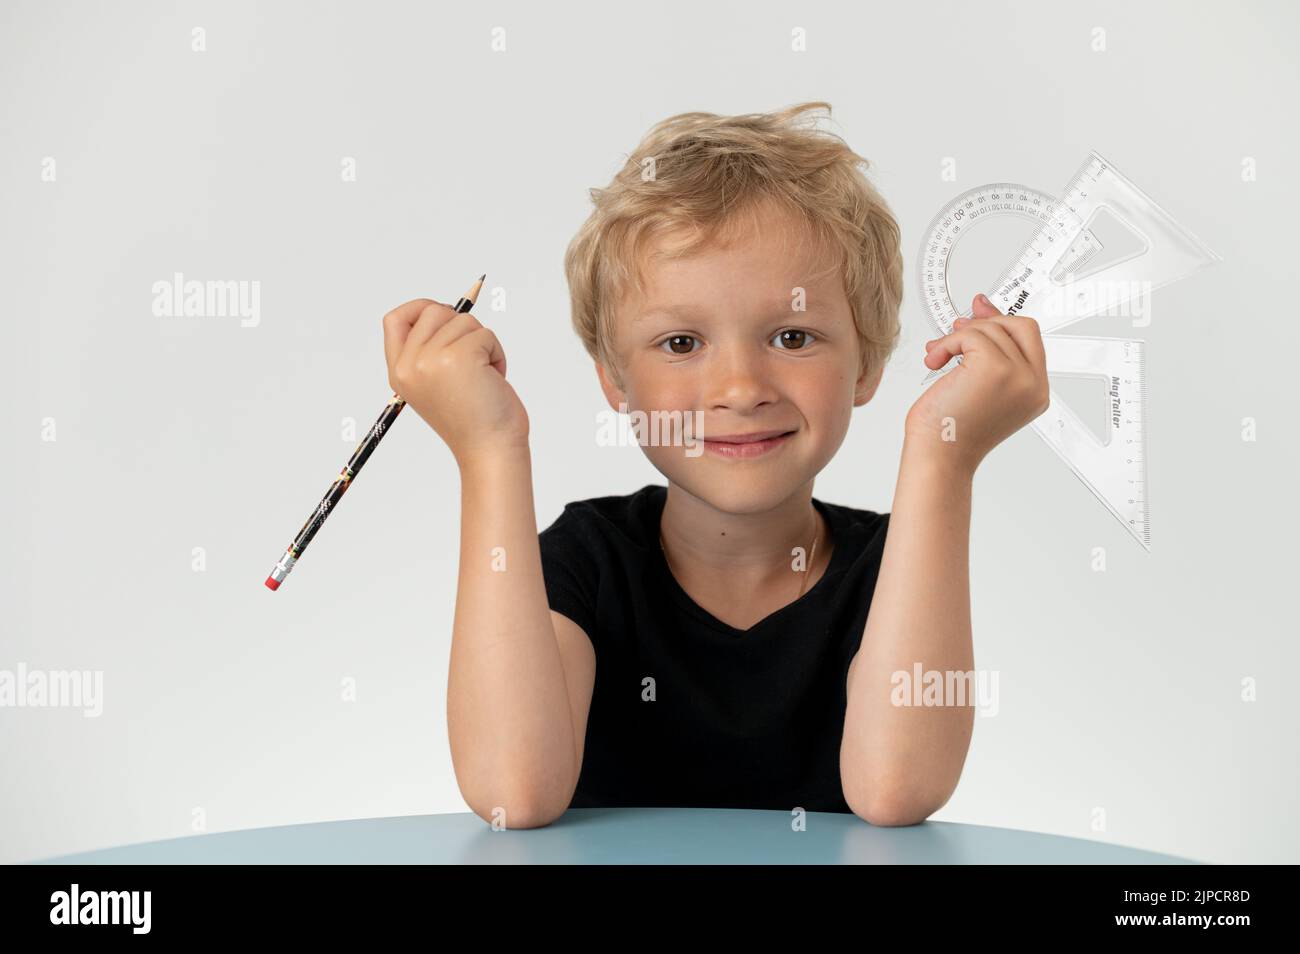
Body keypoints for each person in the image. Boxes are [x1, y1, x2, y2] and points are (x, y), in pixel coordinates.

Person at [381, 102, 1048, 827]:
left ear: (869, 364)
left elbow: (897, 792)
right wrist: (488, 450)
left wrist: (944, 455)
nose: (740, 389)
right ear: (614, 377)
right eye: (680, 343)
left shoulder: (896, 568)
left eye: (793, 336)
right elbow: (513, 791)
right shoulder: (585, 563)